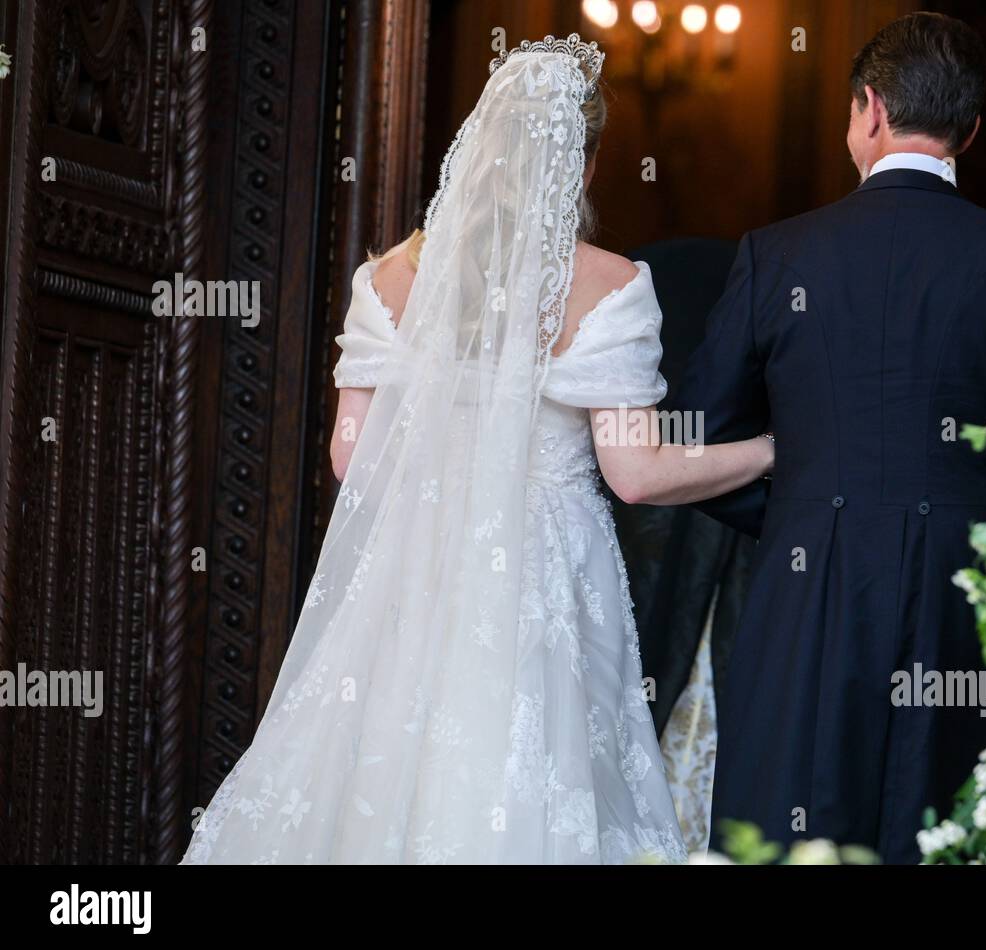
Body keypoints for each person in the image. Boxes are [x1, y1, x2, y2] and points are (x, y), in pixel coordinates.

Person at [181, 34, 772, 865]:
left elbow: (351, 459)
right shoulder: (608, 284)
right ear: (587, 163)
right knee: (520, 778)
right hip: (542, 581)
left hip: (412, 569)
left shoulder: (388, 277)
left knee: (392, 772)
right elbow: (636, 473)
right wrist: (767, 454)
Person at [668, 12, 986, 863]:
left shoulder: (775, 256)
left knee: (790, 826)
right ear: (968, 131)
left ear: (868, 109)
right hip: (968, 601)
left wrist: (799, 501)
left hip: (807, 582)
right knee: (951, 830)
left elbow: (696, 435)